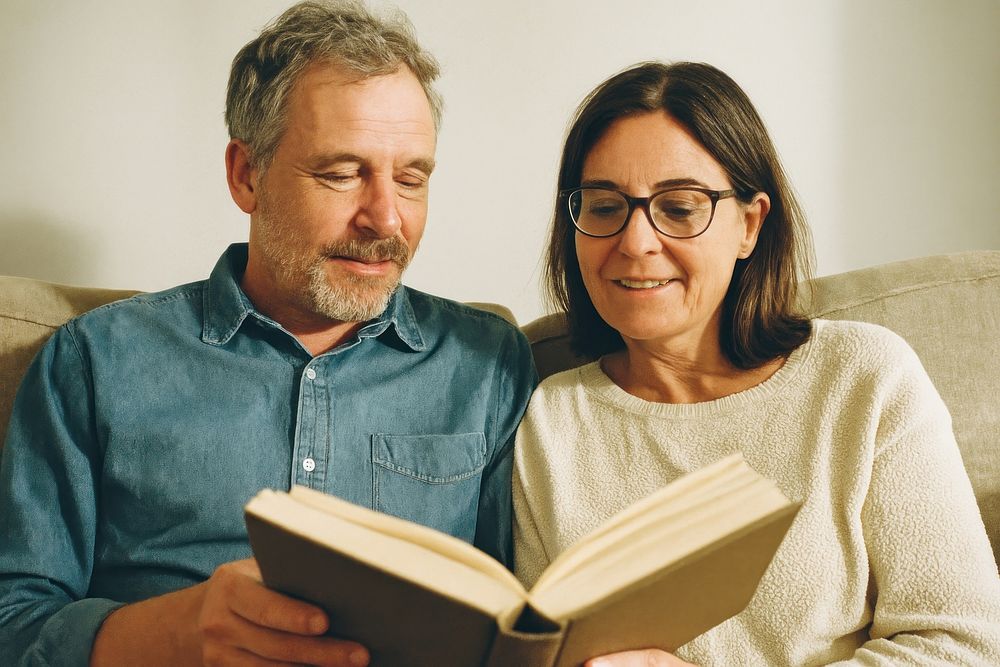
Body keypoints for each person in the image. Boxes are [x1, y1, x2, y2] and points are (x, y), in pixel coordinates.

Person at [0, 2, 535, 665]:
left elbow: (522, 616)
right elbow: (13, 621)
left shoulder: (486, 363)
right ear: (246, 173)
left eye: (412, 178)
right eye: (342, 173)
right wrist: (179, 631)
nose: (386, 218)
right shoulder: (96, 361)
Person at [513, 61, 1000, 666]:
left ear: (750, 224)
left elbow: (965, 647)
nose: (635, 242)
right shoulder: (549, 419)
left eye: (681, 207)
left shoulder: (864, 378)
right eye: (606, 206)